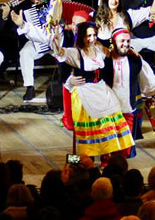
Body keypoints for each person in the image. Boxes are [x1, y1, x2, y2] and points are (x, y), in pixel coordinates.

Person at [68, 27, 155, 157]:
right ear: (113, 42)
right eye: (122, 41)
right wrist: (71, 81)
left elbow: (148, 79)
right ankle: (82, 168)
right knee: (98, 149)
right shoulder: (102, 59)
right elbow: (85, 72)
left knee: (124, 153)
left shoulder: (136, 60)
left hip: (127, 111)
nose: (125, 44)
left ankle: (113, 171)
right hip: (106, 113)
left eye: (128, 41)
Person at [52, 21, 134, 158]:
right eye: (88, 36)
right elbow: (59, 53)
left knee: (109, 127)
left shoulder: (98, 49)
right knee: (90, 130)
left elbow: (113, 53)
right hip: (84, 92)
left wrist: (131, 51)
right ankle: (83, 162)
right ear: (81, 36)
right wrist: (55, 36)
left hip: (101, 90)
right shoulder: (75, 53)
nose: (92, 38)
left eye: (94, 35)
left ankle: (106, 160)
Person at [94, 0, 155, 87]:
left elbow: (153, 10)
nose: (114, 1)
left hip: (125, 55)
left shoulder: (127, 15)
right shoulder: (97, 19)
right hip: (106, 62)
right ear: (105, 1)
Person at [10, 0, 51, 101]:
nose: (36, 1)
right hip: (36, 42)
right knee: (24, 53)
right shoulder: (24, 6)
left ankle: (64, 81)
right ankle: (29, 87)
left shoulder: (52, 3)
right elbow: (13, 27)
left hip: (54, 41)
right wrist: (19, 24)